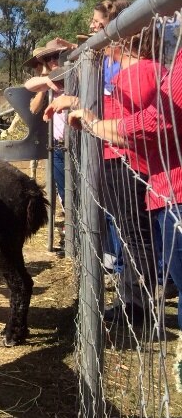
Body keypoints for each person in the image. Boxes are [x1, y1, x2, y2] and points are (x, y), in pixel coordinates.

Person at [49, 24, 166, 336]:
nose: (95, 32)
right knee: (131, 232)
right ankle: (134, 298)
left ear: (123, 36)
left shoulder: (139, 72)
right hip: (119, 155)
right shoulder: (128, 73)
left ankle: (137, 306)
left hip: (127, 159)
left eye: (102, 27)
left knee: (135, 234)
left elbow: (140, 122)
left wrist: (82, 111)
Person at [22, 37, 75, 210]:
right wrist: (47, 80)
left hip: (76, 144)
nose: (52, 61)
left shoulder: (76, 75)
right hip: (57, 144)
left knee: (76, 189)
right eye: (48, 59)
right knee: (64, 190)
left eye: (56, 56)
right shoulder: (48, 83)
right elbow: (33, 105)